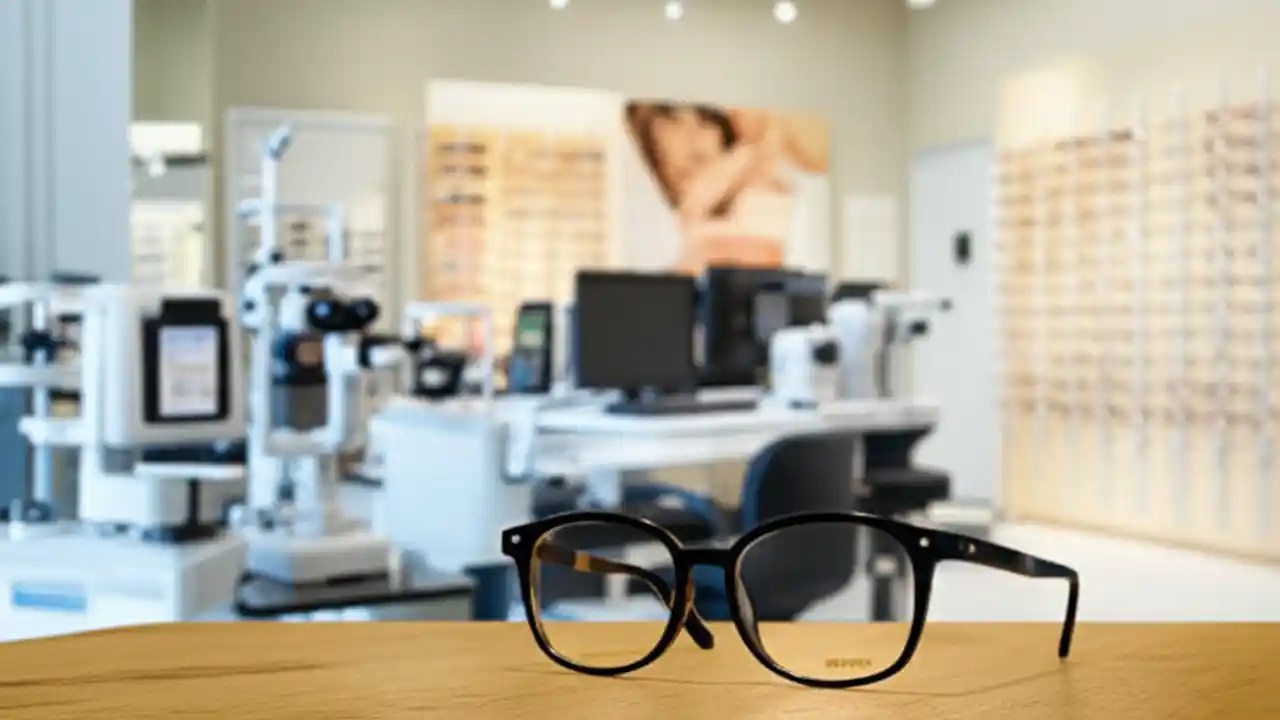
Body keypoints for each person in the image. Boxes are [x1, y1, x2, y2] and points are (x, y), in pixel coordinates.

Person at [626, 101, 828, 273]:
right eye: (673, 121)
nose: (693, 139)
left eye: (705, 122)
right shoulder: (697, 198)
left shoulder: (767, 174)